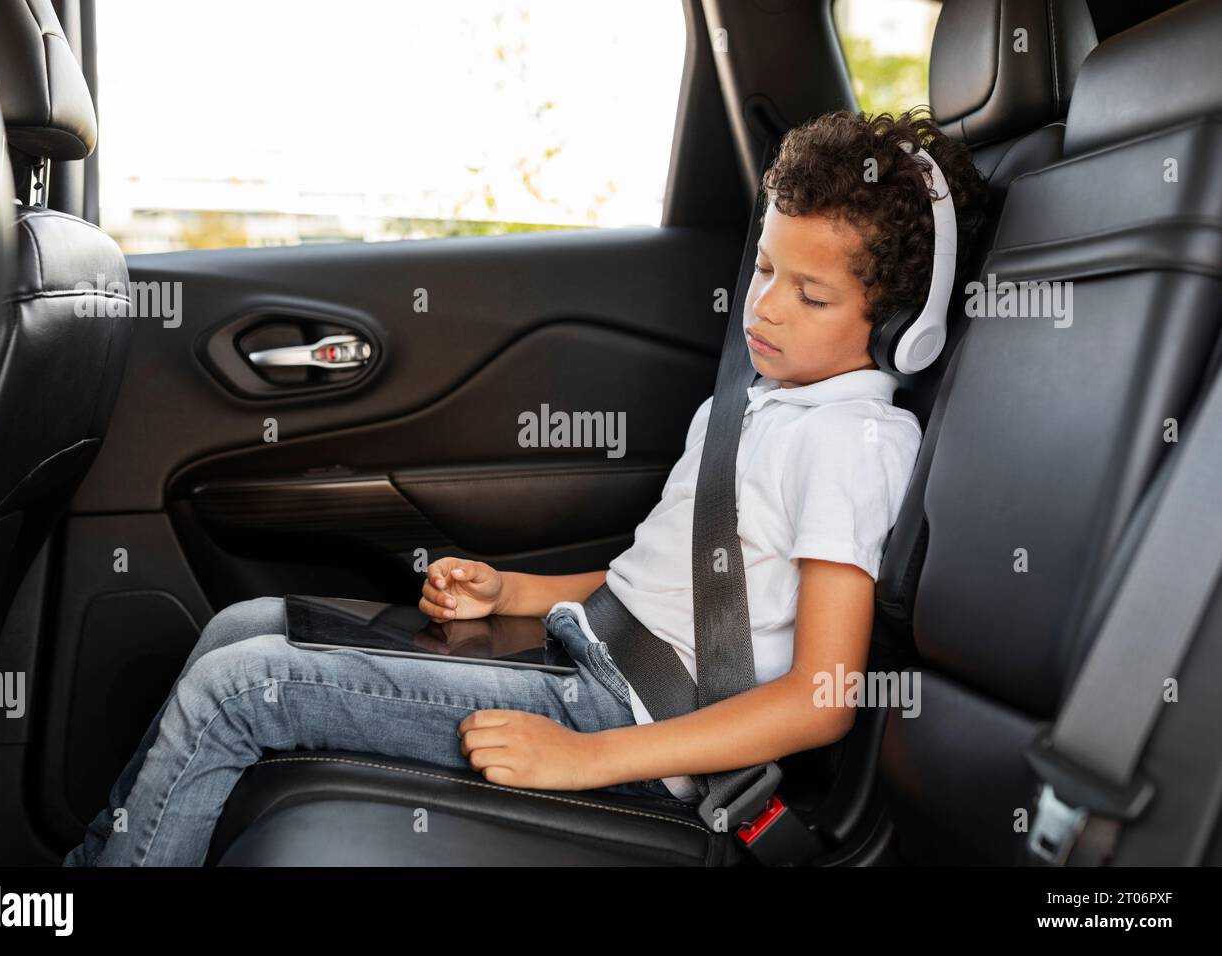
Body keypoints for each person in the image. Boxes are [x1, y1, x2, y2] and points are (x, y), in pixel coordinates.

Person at [65, 107, 989, 866]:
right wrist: (514, 592)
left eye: (810, 295)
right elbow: (649, 587)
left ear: (903, 326)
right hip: (586, 658)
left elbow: (822, 700)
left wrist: (586, 757)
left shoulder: (851, 445)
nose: (764, 306)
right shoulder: (756, 406)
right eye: (762, 269)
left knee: (238, 689)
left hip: (624, 724)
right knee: (244, 626)